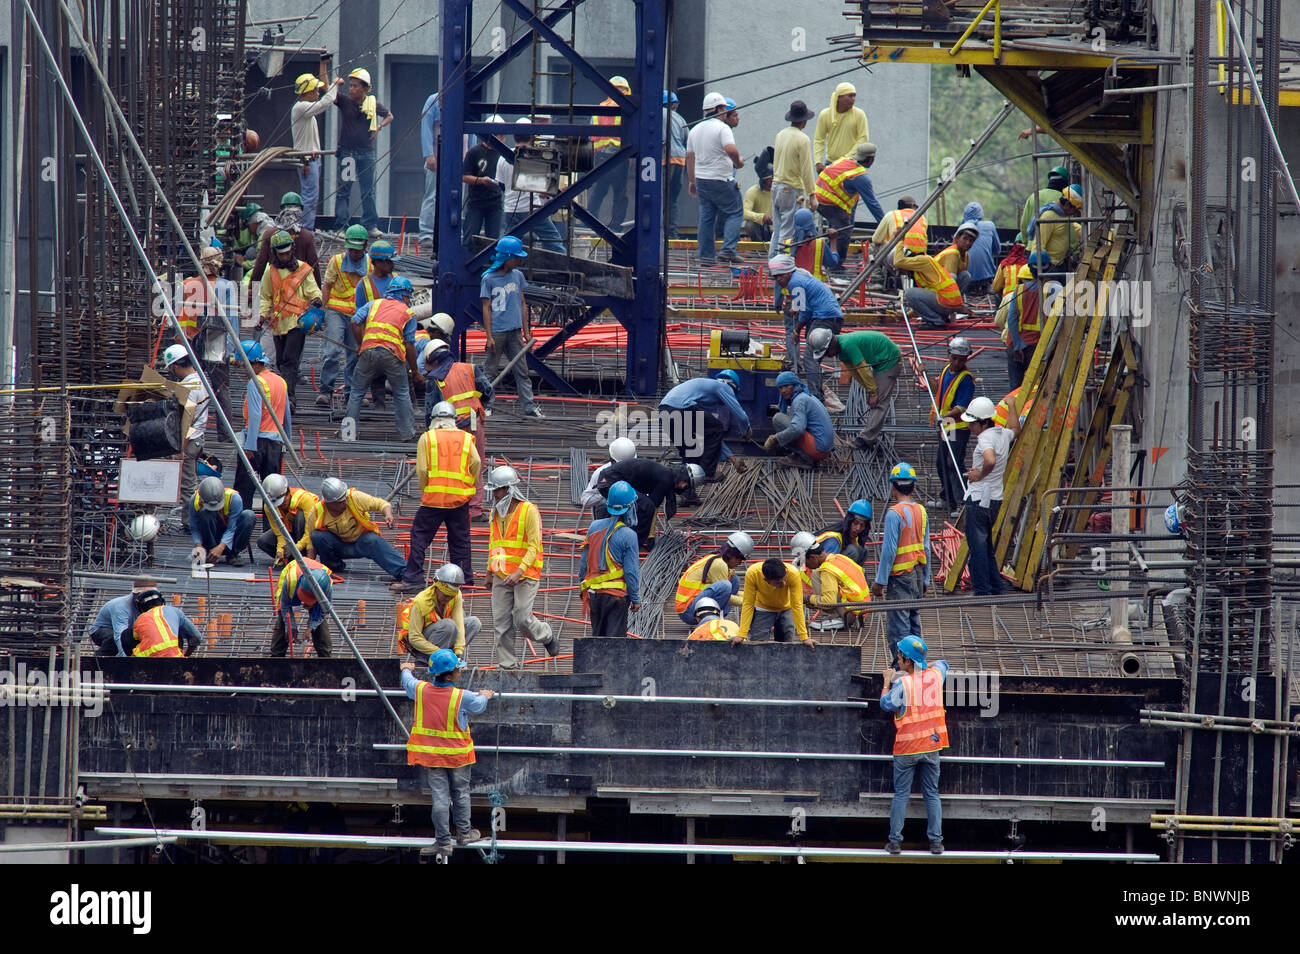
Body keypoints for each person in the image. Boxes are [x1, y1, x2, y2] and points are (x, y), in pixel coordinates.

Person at [401, 650, 495, 859]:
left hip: (433, 757)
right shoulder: (462, 696)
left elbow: (407, 681)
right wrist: (485, 695)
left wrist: (406, 669)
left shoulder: (421, 690)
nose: (461, 671)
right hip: (458, 757)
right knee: (461, 793)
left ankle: (443, 842)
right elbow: (479, 705)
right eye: (458, 669)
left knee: (440, 798)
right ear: (450, 675)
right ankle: (464, 833)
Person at [395, 401, 480, 591]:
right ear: (453, 419)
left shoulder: (428, 438)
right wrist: (467, 484)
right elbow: (476, 462)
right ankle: (464, 579)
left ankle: (414, 577)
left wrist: (426, 489)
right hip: (459, 499)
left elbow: (423, 469)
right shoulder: (465, 438)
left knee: (420, 537)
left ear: (434, 419)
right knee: (460, 540)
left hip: (434, 499)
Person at [880, 635, 948, 855]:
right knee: (932, 794)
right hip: (931, 746)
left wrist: (886, 681)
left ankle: (895, 842)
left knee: (901, 794)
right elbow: (943, 664)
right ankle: (936, 843)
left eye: (899, 657)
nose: (897, 661)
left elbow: (885, 704)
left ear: (908, 661)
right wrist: (924, 664)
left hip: (907, 748)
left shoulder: (903, 683)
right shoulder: (936, 676)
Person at [486, 466, 560, 667]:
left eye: (496, 490)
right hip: (501, 574)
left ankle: (547, 635)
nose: (493, 495)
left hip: (525, 575)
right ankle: (507, 665)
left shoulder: (529, 511)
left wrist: (519, 572)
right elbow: (494, 543)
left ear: (508, 489)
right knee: (500, 623)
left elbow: (534, 545)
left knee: (521, 619)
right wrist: (489, 572)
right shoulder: (496, 513)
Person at [419, 339, 493, 519]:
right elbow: (488, 390)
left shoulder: (434, 378)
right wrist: (478, 408)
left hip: (448, 430)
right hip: (474, 423)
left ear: (434, 360)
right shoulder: (470, 368)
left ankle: (450, 503)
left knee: (448, 466)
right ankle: (474, 510)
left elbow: (431, 409)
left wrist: (429, 432)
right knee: (476, 464)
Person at [345, 276, 420, 442]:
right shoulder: (408, 313)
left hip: (369, 352)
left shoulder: (374, 304)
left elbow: (355, 321)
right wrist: (415, 371)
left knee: (356, 392)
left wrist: (361, 344)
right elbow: (409, 345)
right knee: (401, 393)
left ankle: (348, 434)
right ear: (404, 295)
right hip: (392, 355)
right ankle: (407, 434)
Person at [870, 463, 930, 663]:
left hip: (899, 578)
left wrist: (880, 582)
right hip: (917, 574)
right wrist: (927, 579)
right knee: (914, 623)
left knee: (899, 628)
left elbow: (888, 551)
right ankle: (917, 666)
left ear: (893, 487)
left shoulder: (894, 513)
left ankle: (901, 669)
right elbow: (926, 547)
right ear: (913, 487)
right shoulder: (921, 511)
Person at [256, 229, 322, 405]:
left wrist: (316, 298)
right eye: (281, 254)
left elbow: (313, 289)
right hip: (278, 324)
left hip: (297, 322)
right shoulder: (270, 272)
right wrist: (262, 316)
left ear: (292, 250)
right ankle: (286, 394)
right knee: (280, 361)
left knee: (289, 360)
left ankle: (289, 399)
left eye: (287, 252)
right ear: (275, 253)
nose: (285, 256)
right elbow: (265, 297)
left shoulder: (304, 269)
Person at [481, 235, 543, 419]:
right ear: (507, 257)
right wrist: (489, 336)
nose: (519, 260)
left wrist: (526, 329)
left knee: (522, 371)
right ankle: (485, 404)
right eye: (516, 257)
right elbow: (486, 307)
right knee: (490, 370)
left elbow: (522, 302)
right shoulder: (488, 278)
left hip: (514, 331)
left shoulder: (517, 275)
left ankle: (528, 406)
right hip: (498, 332)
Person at [304, 476, 408, 582]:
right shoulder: (316, 512)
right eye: (340, 502)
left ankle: (405, 573)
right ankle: (333, 566)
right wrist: (309, 569)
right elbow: (310, 543)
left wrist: (388, 514)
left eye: (344, 499)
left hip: (361, 542)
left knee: (373, 540)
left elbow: (382, 504)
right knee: (318, 536)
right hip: (338, 546)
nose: (344, 503)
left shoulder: (354, 497)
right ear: (329, 503)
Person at [768, 256, 843, 404]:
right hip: (828, 317)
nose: (779, 279)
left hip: (824, 318)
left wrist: (796, 331)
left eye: (781, 275)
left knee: (810, 358)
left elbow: (805, 312)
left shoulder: (794, 282)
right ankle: (817, 392)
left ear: (789, 272)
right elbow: (804, 306)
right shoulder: (799, 275)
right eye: (776, 277)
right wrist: (798, 308)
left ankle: (816, 398)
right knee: (813, 357)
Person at [811, 329, 901, 449]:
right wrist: (869, 391)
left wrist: (874, 392)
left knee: (879, 402)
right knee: (875, 397)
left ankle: (866, 439)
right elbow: (855, 373)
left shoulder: (848, 345)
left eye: (826, 353)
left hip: (890, 360)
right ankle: (870, 434)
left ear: (831, 346)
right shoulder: (841, 351)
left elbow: (863, 368)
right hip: (879, 362)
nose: (827, 356)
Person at [179, 244, 238, 423]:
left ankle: (187, 426)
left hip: (190, 341)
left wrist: (180, 343)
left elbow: (178, 317)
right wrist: (231, 350)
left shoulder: (188, 284)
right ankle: (225, 434)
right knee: (221, 389)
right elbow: (232, 321)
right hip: (216, 342)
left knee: (190, 386)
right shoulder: (227, 286)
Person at [961, 396, 1013, 596]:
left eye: (972, 423)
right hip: (994, 500)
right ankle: (996, 586)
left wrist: (979, 475)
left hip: (979, 500)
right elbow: (1016, 429)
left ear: (983, 423)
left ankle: (982, 589)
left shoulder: (985, 438)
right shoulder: (1002, 433)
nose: (970, 427)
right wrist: (1012, 407)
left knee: (978, 547)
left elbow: (989, 460)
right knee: (986, 545)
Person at [232, 340, 290, 515]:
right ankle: (270, 533)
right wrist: (287, 442)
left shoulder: (256, 382)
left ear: (255, 363)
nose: (244, 369)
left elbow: (255, 416)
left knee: (244, 490)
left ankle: (242, 529)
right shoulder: (281, 381)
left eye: (245, 365)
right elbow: (287, 416)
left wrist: (249, 446)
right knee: (273, 494)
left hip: (256, 443)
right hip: (275, 445)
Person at [657, 371, 752, 479]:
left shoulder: (700, 397)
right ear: (733, 387)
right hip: (680, 409)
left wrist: (733, 459)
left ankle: (688, 493)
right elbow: (741, 416)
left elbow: (712, 438)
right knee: (716, 427)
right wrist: (746, 430)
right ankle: (707, 472)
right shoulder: (723, 386)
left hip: (664, 411)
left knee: (691, 451)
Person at [687, 91, 745, 265]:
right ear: (719, 109)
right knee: (735, 212)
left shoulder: (695, 129)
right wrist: (739, 162)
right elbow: (731, 150)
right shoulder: (722, 128)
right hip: (721, 179)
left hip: (702, 180)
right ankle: (728, 250)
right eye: (724, 108)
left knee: (706, 217)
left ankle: (706, 256)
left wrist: (692, 181)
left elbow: (690, 157)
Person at [316, 225, 372, 408]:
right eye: (351, 249)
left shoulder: (370, 263)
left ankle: (352, 392)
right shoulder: (337, 261)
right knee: (332, 351)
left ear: (365, 247)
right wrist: (322, 311)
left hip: (359, 315)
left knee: (355, 354)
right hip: (336, 312)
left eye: (358, 250)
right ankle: (326, 390)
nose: (354, 253)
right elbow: (327, 286)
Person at [334, 67, 392, 237]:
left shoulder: (372, 104)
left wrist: (379, 127)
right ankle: (341, 226)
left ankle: (369, 225)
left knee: (368, 191)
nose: (351, 89)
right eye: (350, 86)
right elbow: (329, 93)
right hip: (348, 154)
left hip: (366, 154)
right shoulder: (345, 102)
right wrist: (333, 80)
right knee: (344, 190)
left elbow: (389, 115)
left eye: (355, 86)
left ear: (365, 89)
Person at [580, 481, 642, 637]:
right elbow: (631, 572)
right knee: (613, 646)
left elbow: (584, 563)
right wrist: (635, 598)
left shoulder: (594, 527)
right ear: (630, 507)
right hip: (616, 598)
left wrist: (582, 587)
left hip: (594, 595)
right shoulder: (629, 535)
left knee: (597, 640)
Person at [596, 459, 704, 547]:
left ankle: (621, 535)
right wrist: (647, 536)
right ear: (683, 480)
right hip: (609, 482)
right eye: (686, 484)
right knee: (646, 506)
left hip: (609, 479)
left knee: (643, 504)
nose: (684, 488)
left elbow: (654, 505)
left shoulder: (667, 475)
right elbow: (651, 507)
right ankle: (634, 543)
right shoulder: (666, 480)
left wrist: (650, 535)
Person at [499, 118, 567, 254]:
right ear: (532, 137)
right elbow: (544, 191)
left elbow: (501, 185)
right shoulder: (537, 156)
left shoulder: (502, 158)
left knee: (509, 245)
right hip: (532, 209)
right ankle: (563, 267)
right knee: (552, 241)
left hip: (510, 209)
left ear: (514, 136)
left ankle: (506, 267)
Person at [160, 344, 209, 534]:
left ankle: (191, 524)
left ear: (175, 366)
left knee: (188, 487)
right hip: (198, 440)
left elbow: (185, 422)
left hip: (189, 442)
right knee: (192, 483)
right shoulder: (201, 379)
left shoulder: (186, 387)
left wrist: (180, 449)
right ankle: (192, 520)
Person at [814, 142, 885, 267]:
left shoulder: (845, 161)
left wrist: (849, 220)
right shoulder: (860, 177)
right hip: (829, 202)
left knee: (838, 228)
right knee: (844, 232)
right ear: (870, 159)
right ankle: (836, 265)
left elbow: (852, 198)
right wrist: (886, 223)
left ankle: (829, 256)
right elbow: (872, 204)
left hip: (817, 197)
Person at [290, 73, 342, 231]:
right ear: (307, 91)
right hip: (306, 159)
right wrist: (334, 86)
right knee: (309, 197)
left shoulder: (305, 110)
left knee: (311, 196)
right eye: (315, 90)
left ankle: (307, 228)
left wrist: (324, 66)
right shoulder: (301, 108)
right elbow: (324, 103)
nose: (318, 93)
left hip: (311, 159)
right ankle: (306, 229)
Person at [402, 565, 482, 665]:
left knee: (474, 623)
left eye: (451, 597)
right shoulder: (421, 601)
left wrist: (458, 654)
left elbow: (460, 625)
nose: (448, 599)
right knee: (449, 625)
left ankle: (450, 660)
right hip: (423, 645)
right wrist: (439, 652)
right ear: (437, 589)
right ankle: (424, 661)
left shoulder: (456, 595)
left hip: (446, 639)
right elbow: (414, 638)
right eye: (445, 596)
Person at [770, 99, 818, 259]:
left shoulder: (780, 135)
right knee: (787, 230)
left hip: (776, 185)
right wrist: (812, 194)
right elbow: (806, 168)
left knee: (778, 228)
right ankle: (781, 265)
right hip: (791, 188)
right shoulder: (802, 139)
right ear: (804, 120)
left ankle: (772, 260)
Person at [932, 337, 975, 513]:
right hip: (946, 424)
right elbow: (938, 390)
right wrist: (924, 374)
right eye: (954, 358)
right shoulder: (945, 371)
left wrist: (945, 417)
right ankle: (947, 498)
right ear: (949, 355)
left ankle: (960, 502)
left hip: (956, 427)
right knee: (941, 462)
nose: (957, 362)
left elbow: (962, 406)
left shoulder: (966, 379)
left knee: (953, 463)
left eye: (961, 359)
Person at [674, 531, 753, 625]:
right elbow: (726, 595)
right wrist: (750, 602)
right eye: (740, 559)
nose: (740, 563)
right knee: (726, 585)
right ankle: (709, 620)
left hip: (695, 603)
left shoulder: (718, 559)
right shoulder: (719, 564)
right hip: (688, 611)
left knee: (734, 579)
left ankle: (718, 616)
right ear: (732, 555)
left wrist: (751, 596)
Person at [894, 227, 966, 328]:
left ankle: (936, 322)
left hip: (947, 302)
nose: (903, 272)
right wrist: (907, 316)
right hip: (949, 303)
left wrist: (900, 240)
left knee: (910, 293)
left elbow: (898, 261)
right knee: (914, 294)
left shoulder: (922, 261)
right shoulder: (920, 271)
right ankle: (940, 318)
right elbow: (922, 302)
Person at [588, 76, 634, 231]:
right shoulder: (626, 108)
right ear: (626, 90)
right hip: (619, 157)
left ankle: (590, 222)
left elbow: (590, 134)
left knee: (599, 190)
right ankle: (615, 227)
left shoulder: (599, 108)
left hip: (601, 157)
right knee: (620, 195)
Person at [737, 557, 816, 646]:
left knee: (787, 640)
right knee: (758, 643)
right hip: (763, 607)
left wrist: (804, 637)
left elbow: (797, 605)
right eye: (778, 582)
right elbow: (748, 603)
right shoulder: (753, 573)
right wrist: (741, 634)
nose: (784, 583)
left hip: (787, 607)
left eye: (785, 579)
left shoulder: (793, 573)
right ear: (766, 580)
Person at [763, 370, 834, 467]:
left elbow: (797, 429)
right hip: (825, 448)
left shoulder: (799, 401)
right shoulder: (806, 396)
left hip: (817, 450)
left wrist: (776, 437)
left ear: (794, 385)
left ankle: (804, 458)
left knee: (778, 419)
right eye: (780, 388)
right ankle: (806, 455)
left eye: (787, 386)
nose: (783, 391)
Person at [249, 193, 321, 284]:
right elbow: (314, 265)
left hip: (275, 286)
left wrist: (252, 290)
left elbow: (260, 265)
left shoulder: (269, 234)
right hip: (298, 286)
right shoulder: (306, 236)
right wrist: (318, 291)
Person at [271, 557, 333, 657]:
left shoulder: (327, 586)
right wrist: (291, 627)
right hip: (291, 581)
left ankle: (325, 658)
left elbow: (322, 611)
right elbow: (285, 605)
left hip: (317, 592)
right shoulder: (291, 580)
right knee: (283, 622)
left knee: (321, 628)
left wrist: (310, 628)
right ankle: (276, 656)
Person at [1004, 252, 1049, 389]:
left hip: (1016, 345)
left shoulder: (1018, 290)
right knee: (1036, 387)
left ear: (1029, 268)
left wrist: (1017, 345)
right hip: (1037, 346)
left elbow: (1011, 320)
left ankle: (1012, 410)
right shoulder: (1052, 291)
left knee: (1015, 388)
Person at [190, 476, 256, 567]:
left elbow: (232, 528)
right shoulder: (195, 499)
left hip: (231, 538)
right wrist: (198, 545)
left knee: (249, 516)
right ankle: (211, 551)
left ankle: (233, 554)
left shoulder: (234, 498)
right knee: (204, 513)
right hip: (211, 534)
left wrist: (220, 547)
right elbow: (194, 527)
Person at [256, 473, 320, 568]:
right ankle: (291, 559)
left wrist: (295, 548)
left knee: (300, 517)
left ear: (287, 493)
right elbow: (280, 533)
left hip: (309, 536)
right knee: (263, 541)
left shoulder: (305, 499)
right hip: (290, 533)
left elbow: (309, 532)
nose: (280, 505)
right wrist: (280, 551)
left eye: (282, 501)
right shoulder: (269, 507)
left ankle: (302, 557)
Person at [86, 577, 161, 656]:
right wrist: (126, 661)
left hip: (128, 630)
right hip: (101, 630)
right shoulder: (121, 606)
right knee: (113, 640)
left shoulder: (147, 605)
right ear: (135, 595)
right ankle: (98, 661)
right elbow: (119, 636)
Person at [462, 114, 506, 247]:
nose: (503, 139)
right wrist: (481, 180)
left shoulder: (503, 153)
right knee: (470, 239)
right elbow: (463, 176)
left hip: (495, 203)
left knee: (493, 242)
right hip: (476, 202)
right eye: (500, 135)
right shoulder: (474, 152)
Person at [803, 540, 871, 620]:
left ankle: (835, 618)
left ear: (813, 557)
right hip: (862, 609)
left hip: (850, 613)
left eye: (806, 562)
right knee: (816, 574)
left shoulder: (827, 570)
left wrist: (807, 598)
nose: (806, 566)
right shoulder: (838, 557)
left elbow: (829, 602)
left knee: (816, 576)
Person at [125, 588, 203, 658]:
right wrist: (186, 656)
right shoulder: (174, 611)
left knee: (127, 634)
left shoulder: (140, 619)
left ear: (141, 609)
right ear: (162, 602)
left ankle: (132, 664)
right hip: (175, 658)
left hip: (145, 662)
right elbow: (196, 637)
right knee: (175, 629)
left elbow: (134, 639)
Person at [871, 196, 928, 289]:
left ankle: (877, 280)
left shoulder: (892, 215)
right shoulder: (922, 218)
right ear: (913, 206)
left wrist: (886, 240)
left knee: (873, 246)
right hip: (919, 260)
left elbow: (876, 239)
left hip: (898, 258)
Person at [813, 82, 870, 174]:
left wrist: (846, 158)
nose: (853, 99)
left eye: (854, 96)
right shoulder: (825, 114)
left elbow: (863, 139)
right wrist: (818, 162)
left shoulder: (859, 114)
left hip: (851, 164)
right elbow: (819, 140)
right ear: (839, 97)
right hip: (830, 164)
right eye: (850, 96)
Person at [1027, 183, 1083, 270]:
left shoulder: (1064, 216)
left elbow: (1073, 229)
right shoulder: (1048, 217)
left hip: (1060, 264)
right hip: (1049, 267)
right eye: (1075, 209)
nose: (1075, 212)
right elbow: (1039, 244)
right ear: (1067, 204)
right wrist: (1040, 269)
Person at [580, 437, 637, 508]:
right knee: (603, 503)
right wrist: (604, 491)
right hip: (606, 515)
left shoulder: (639, 472)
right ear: (612, 460)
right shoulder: (601, 474)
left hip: (634, 514)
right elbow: (585, 501)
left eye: (627, 464)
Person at [417, 90, 441, 254]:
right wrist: (429, 154)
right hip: (437, 158)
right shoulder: (434, 100)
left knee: (455, 197)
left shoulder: (462, 98)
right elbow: (425, 126)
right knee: (432, 196)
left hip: (456, 159)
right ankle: (426, 233)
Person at [786, 208, 838, 283]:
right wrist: (833, 240)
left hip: (791, 292)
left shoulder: (787, 244)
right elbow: (832, 263)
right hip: (814, 290)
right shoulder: (819, 244)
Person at [1018, 164, 1070, 238]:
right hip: (1052, 246)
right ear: (1065, 183)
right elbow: (1068, 226)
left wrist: (1027, 243)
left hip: (1031, 246)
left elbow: (1024, 224)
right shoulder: (1063, 199)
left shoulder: (1034, 196)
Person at [815, 499, 873, 564]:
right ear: (849, 522)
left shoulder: (853, 538)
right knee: (852, 551)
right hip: (813, 571)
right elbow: (824, 566)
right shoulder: (834, 540)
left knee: (862, 549)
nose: (858, 528)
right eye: (855, 523)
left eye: (862, 525)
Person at [960, 202, 1000, 295]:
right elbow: (997, 250)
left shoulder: (962, 228)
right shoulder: (990, 225)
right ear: (981, 215)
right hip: (986, 278)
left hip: (967, 278)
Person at [663, 91, 688, 238]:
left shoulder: (657, 114)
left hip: (664, 159)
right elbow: (687, 141)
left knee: (659, 197)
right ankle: (672, 233)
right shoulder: (680, 119)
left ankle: (659, 230)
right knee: (672, 198)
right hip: (680, 161)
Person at [935, 222, 979, 296]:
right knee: (952, 276)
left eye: (971, 240)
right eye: (965, 239)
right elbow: (950, 281)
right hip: (933, 286)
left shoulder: (966, 255)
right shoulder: (952, 253)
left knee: (966, 275)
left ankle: (955, 299)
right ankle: (949, 301)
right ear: (957, 238)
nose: (968, 242)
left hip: (942, 285)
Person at [741, 152, 774, 242]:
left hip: (776, 230)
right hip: (762, 229)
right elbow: (744, 213)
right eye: (770, 179)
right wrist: (762, 217)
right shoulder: (753, 192)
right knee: (750, 224)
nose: (772, 181)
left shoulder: (779, 191)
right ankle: (758, 248)